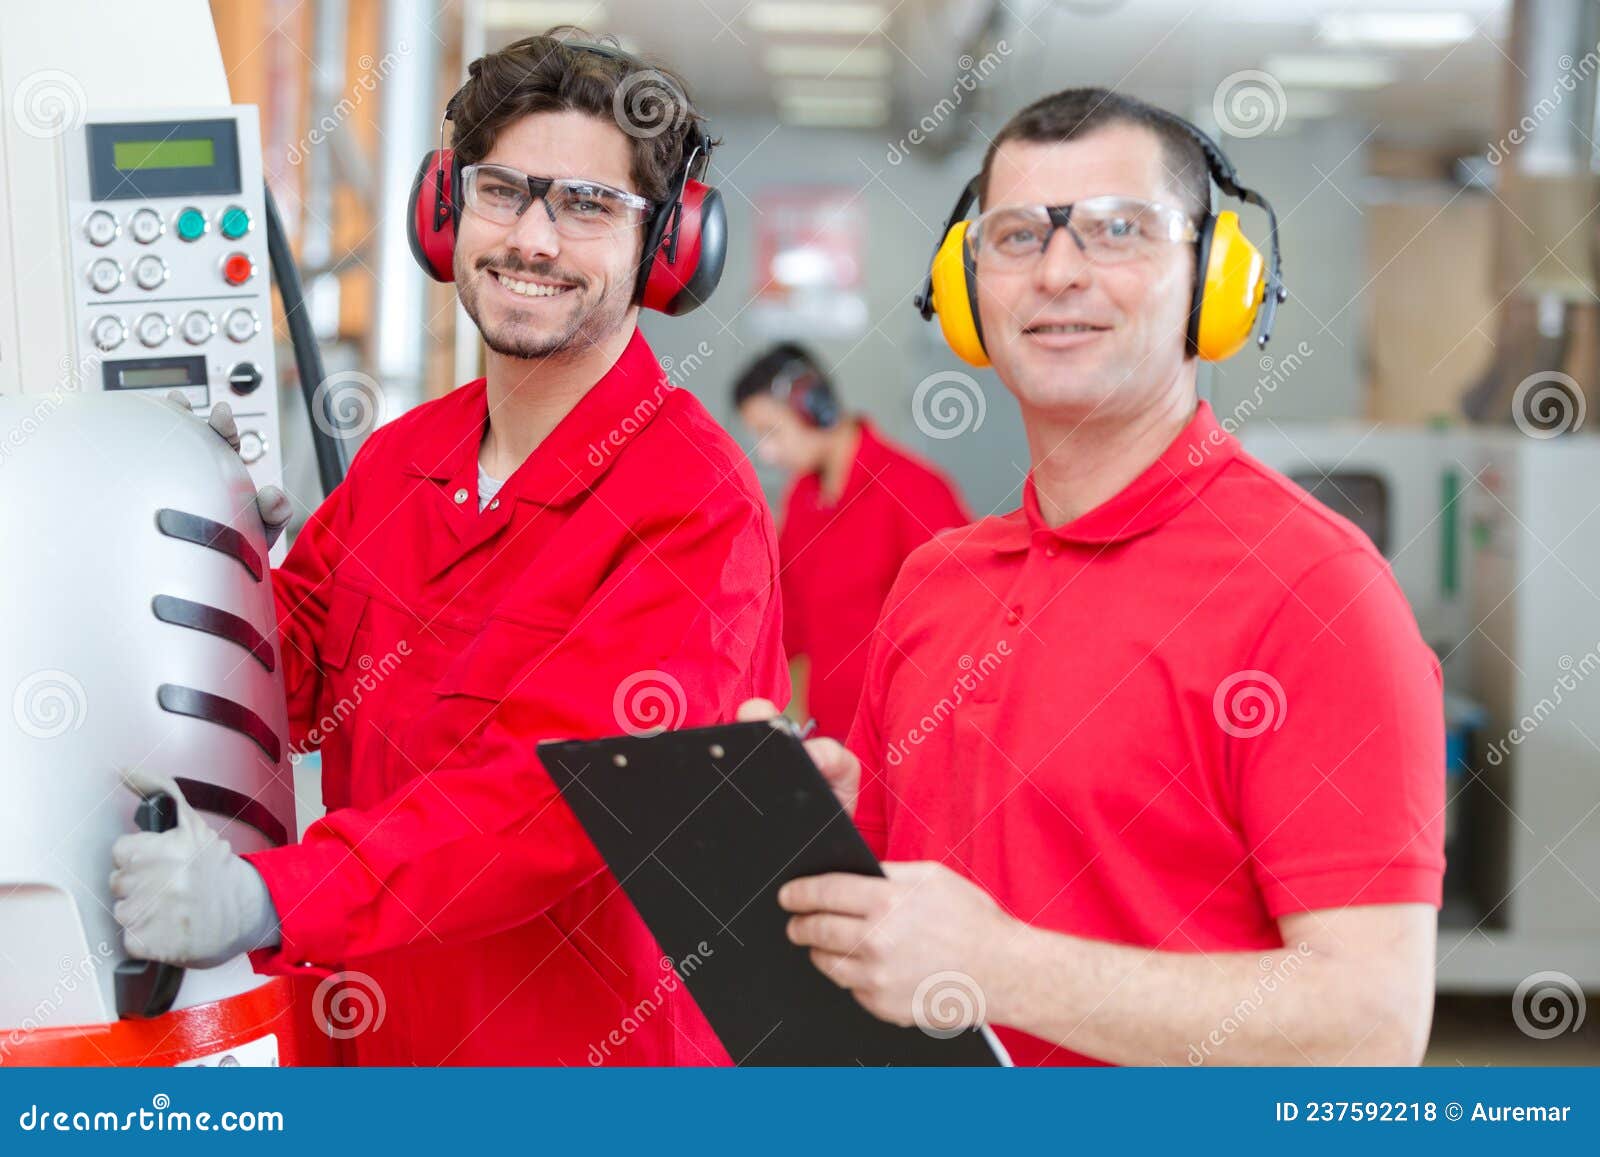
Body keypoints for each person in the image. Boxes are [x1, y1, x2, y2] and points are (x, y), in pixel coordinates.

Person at [110, 31, 787, 1066]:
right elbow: (279, 684)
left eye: (588, 205)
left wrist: (266, 893)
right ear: (446, 211)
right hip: (365, 1049)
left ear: (666, 249)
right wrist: (204, 549)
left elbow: (561, 798)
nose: (535, 238)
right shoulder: (401, 462)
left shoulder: (693, 503)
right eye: (504, 191)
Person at [742, 88, 1443, 1066]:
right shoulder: (938, 583)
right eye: (1018, 236)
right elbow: (901, 931)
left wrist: (1004, 965)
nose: (1059, 272)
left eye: (1118, 231)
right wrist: (808, 825)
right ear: (964, 291)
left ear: (1213, 281)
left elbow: (1370, 1026)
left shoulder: (1314, 590)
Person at [733, 343, 968, 739]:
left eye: (770, 431)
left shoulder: (913, 490)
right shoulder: (803, 498)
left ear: (813, 405)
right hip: (831, 737)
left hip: (904, 739)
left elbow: (959, 629)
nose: (768, 453)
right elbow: (787, 621)